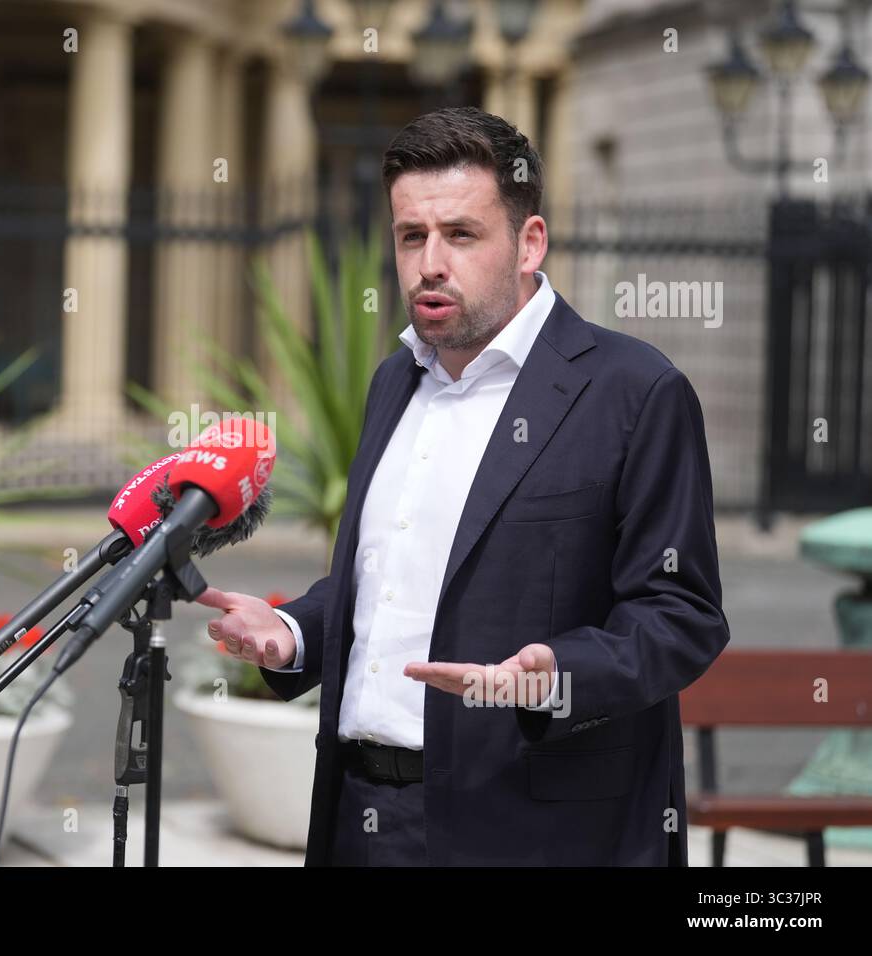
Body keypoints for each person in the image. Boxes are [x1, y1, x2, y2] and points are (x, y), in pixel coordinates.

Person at [195, 107, 730, 866]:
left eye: (461, 234)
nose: (429, 262)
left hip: (534, 834)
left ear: (528, 242)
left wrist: (557, 673)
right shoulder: (395, 381)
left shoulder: (635, 391)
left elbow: (682, 615)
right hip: (360, 817)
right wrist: (298, 633)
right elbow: (394, 582)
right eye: (411, 236)